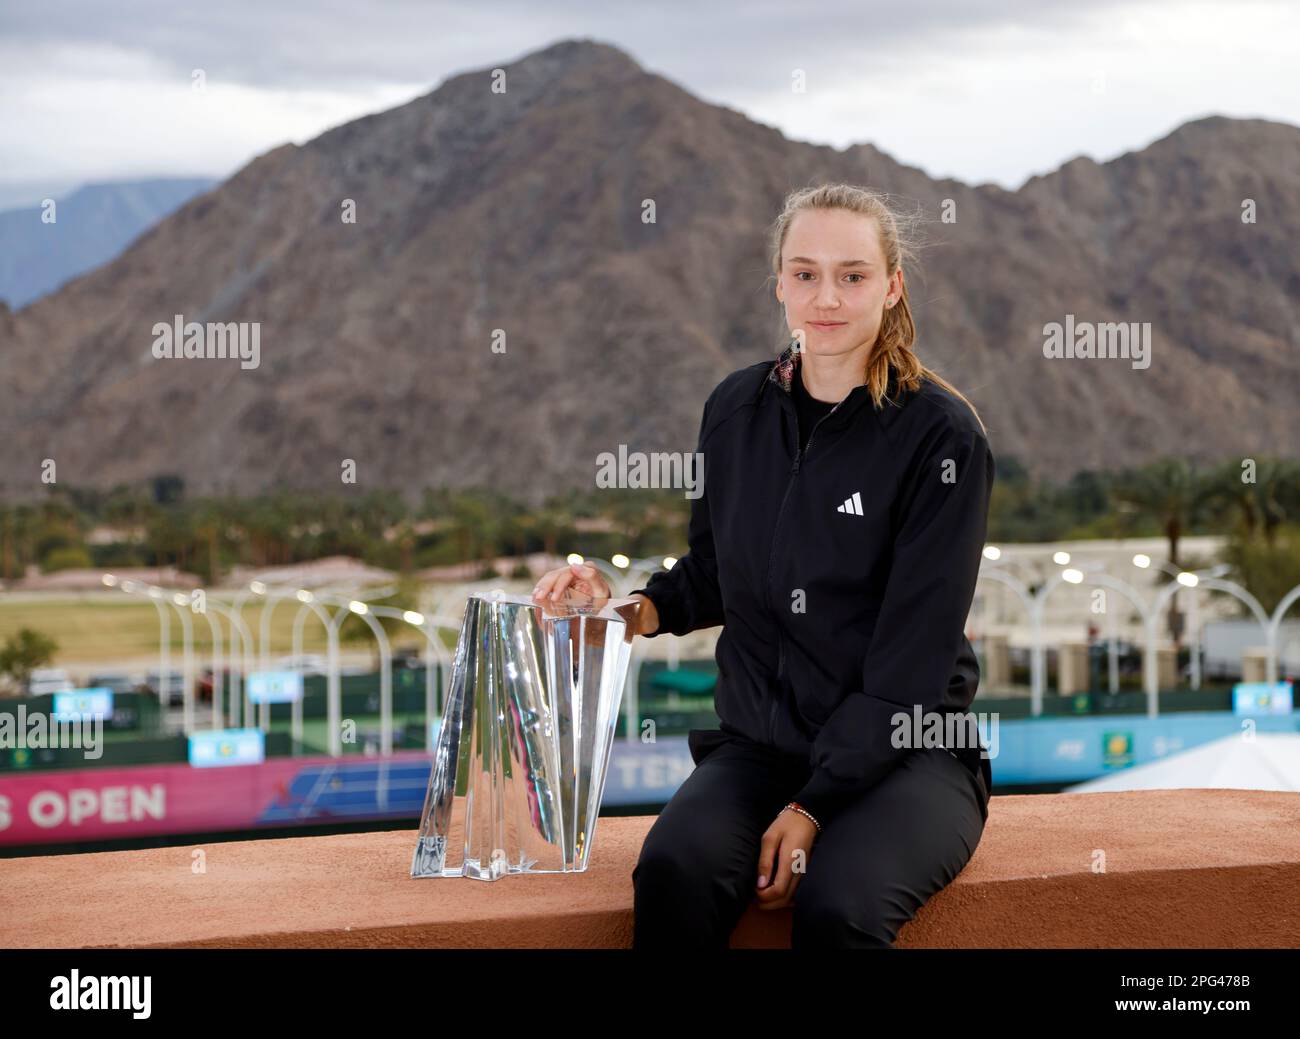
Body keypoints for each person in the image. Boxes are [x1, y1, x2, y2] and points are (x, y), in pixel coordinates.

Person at [533, 183, 995, 949]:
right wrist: (623, 612)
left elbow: (910, 664)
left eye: (852, 275)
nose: (827, 297)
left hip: (912, 751)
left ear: (891, 286)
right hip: (760, 748)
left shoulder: (940, 439)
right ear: (779, 282)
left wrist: (812, 806)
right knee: (673, 871)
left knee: (838, 908)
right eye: (805, 273)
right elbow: (715, 570)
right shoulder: (734, 410)